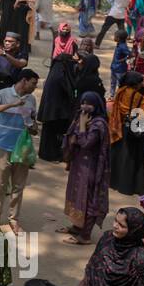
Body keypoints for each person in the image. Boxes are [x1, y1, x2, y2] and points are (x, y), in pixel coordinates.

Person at [0, 68, 40, 234]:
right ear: (24, 80)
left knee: (18, 187)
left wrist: (32, 126)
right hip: (3, 147)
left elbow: (34, 126)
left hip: (22, 150)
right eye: (33, 83)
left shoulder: (32, 99)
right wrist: (12, 105)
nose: (34, 87)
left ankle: (13, 220)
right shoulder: (3, 94)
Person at [59, 92, 111, 245]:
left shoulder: (99, 124)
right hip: (79, 164)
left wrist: (82, 126)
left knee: (88, 198)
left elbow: (86, 143)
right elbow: (71, 137)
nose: (85, 106)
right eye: (83, 102)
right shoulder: (81, 116)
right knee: (76, 194)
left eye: (89, 103)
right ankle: (76, 227)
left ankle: (85, 236)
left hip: (91, 168)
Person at [108, 71, 144, 195]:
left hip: (122, 127)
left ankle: (114, 182)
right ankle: (130, 185)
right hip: (135, 127)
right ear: (135, 83)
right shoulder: (141, 98)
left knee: (119, 156)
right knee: (134, 158)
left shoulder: (120, 92)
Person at [37, 35, 78, 162]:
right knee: (53, 136)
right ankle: (52, 155)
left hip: (50, 111)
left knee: (48, 134)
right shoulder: (61, 77)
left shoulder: (54, 73)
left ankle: (46, 153)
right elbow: (69, 93)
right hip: (57, 112)